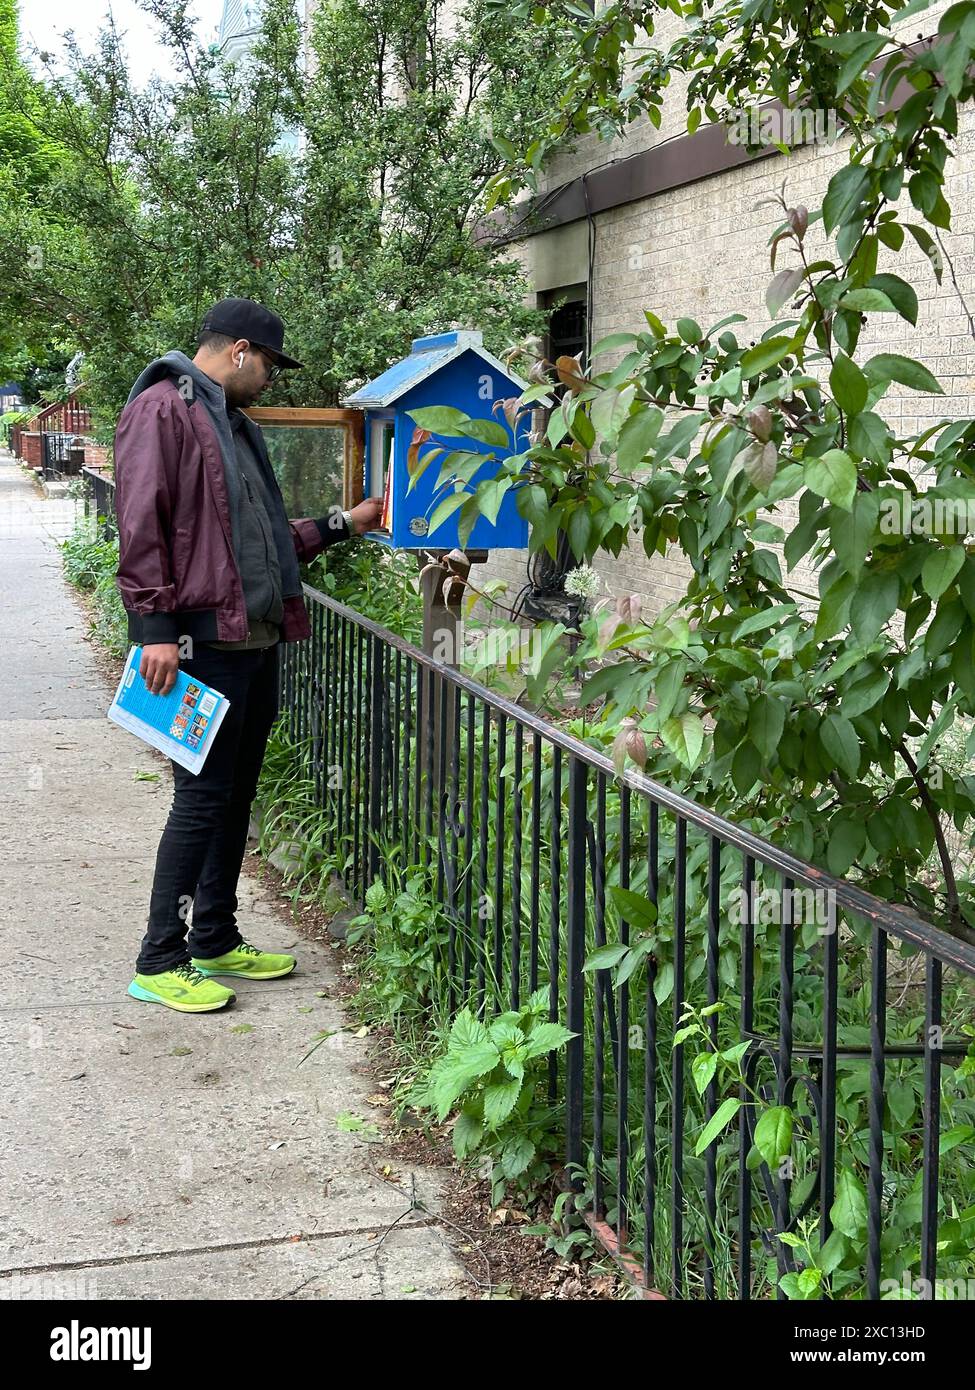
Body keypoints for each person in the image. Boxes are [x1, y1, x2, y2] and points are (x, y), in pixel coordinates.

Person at [113, 297, 382, 1013]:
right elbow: (141, 522)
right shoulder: (163, 410)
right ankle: (159, 958)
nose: (269, 379)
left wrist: (339, 525)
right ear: (237, 351)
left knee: (233, 798)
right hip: (200, 644)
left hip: (253, 642)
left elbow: (255, 543)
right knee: (199, 801)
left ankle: (214, 937)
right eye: (267, 364)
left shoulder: (230, 424)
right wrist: (155, 630)